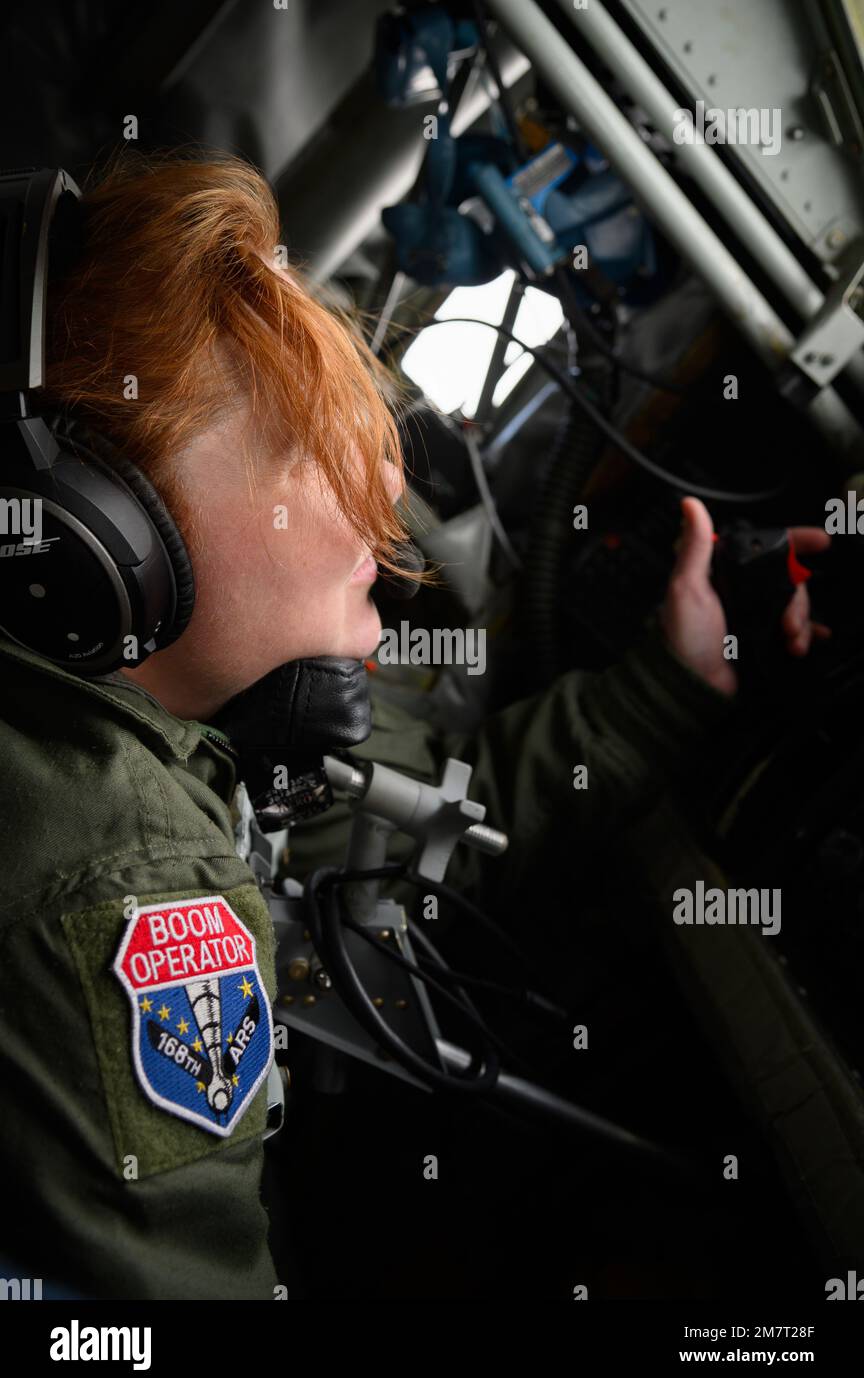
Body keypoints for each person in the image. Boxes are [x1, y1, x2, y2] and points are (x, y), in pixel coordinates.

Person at [0, 150, 829, 1301]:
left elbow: (389, 819)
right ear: (103, 547)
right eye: (304, 449)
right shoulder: (126, 880)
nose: (384, 487)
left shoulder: (173, 711)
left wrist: (663, 686)